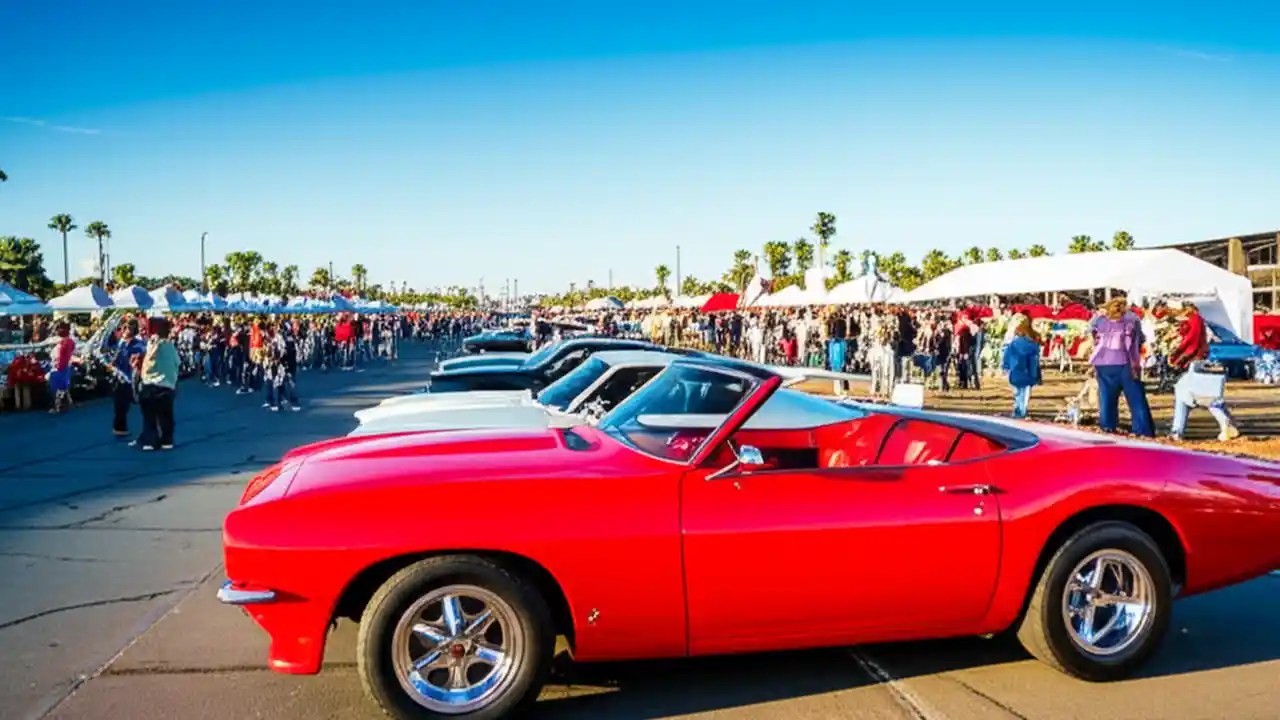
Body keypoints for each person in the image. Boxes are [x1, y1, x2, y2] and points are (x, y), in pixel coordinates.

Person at [1090, 297, 1155, 437]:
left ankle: (1107, 426)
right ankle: (1143, 429)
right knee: (1136, 398)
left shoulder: (1100, 321)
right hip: (1125, 361)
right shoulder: (1131, 321)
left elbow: (1092, 333)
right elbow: (1139, 340)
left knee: (1106, 397)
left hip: (1102, 362)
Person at [136, 317, 180, 451]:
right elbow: (176, 363)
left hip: (150, 383)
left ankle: (150, 440)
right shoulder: (170, 346)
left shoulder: (152, 344)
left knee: (149, 415)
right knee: (166, 415)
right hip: (166, 384)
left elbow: (149, 361)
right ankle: (167, 440)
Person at [1169, 360, 1239, 442]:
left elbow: (1176, 359)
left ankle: (1177, 431)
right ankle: (1228, 425)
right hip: (1215, 384)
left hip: (1193, 385)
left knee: (1182, 397)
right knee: (1215, 403)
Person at [1001, 316, 1042, 419]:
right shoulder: (1033, 345)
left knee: (1018, 392)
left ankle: (1018, 409)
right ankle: (1023, 410)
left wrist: (1005, 366)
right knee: (1026, 392)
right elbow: (1035, 360)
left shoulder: (1013, 344)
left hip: (1016, 370)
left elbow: (1007, 356)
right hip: (1029, 371)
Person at [110, 320, 147, 437]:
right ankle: (119, 427)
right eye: (124, 328)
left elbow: (142, 353)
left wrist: (137, 358)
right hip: (118, 376)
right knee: (119, 403)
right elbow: (115, 357)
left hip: (129, 377)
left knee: (124, 403)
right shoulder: (121, 343)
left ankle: (120, 426)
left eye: (128, 329)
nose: (125, 331)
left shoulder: (137, 344)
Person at [48, 321, 76, 414]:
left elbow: (64, 356)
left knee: (57, 388)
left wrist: (59, 366)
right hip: (62, 367)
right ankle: (66, 403)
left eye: (59, 329)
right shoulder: (66, 341)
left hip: (60, 367)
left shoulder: (66, 342)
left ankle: (58, 406)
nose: (57, 331)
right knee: (62, 387)